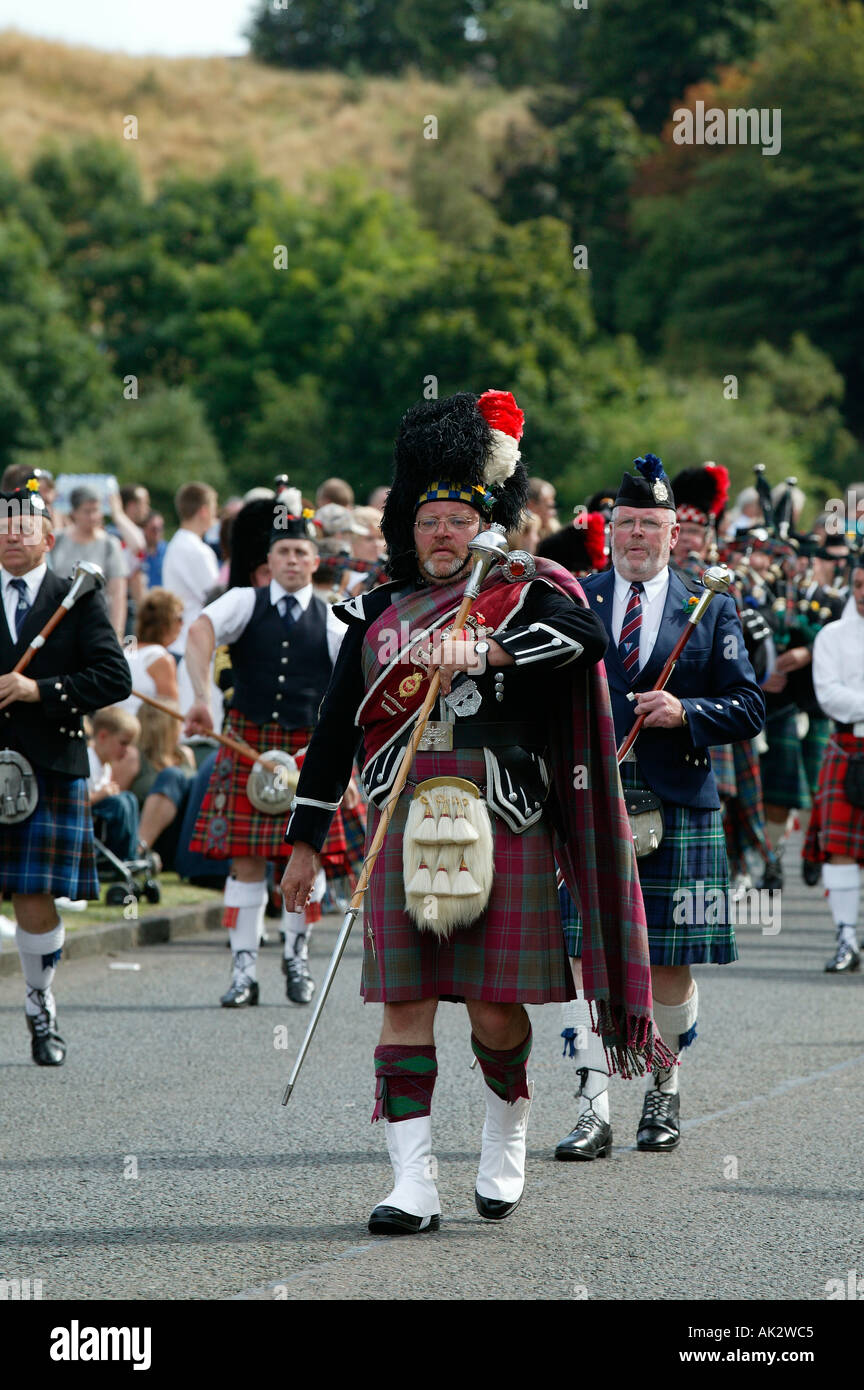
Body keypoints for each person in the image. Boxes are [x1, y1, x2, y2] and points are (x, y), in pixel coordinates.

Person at [282, 390, 665, 1236]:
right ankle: (412, 1183)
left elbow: (586, 639)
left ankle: (506, 1126)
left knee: (496, 1008)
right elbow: (338, 727)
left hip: (505, 815)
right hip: (403, 810)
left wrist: (491, 649)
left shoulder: (526, 591)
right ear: (407, 532)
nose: (443, 534)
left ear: (484, 525)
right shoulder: (377, 612)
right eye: (429, 522)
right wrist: (305, 841)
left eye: (458, 519)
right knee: (406, 1002)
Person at [555, 454, 765, 1161]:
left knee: (671, 964)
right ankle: (592, 1106)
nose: (636, 534)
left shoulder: (710, 602)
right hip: (595, 798)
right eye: (625, 522)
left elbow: (750, 704)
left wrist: (688, 710)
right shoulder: (574, 598)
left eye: (650, 523)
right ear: (608, 528)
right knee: (591, 956)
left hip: (680, 801)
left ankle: (664, 1089)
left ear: (675, 533)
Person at [184, 499, 348, 1007]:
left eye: (301, 551)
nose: (293, 560)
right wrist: (200, 700)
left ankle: (296, 959)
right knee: (247, 863)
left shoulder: (334, 618)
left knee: (305, 862)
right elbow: (199, 632)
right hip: (246, 743)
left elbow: (355, 684)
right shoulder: (242, 601)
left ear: (315, 560)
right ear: (270, 559)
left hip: (306, 754)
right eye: (284, 552)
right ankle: (243, 970)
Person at [0, 483, 131, 1065]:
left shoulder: (73, 597)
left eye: (22, 528)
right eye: (2, 528)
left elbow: (113, 679)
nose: (10, 536)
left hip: (48, 766)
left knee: (34, 894)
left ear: (48, 539)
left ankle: (38, 1000)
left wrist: (39, 690)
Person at [804, 560, 864, 972]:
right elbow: (829, 696)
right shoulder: (831, 635)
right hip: (848, 745)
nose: (863, 592)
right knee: (839, 849)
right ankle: (846, 937)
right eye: (859, 584)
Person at [52, 485, 127, 637]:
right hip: (60, 621)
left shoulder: (109, 544)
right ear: (74, 513)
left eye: (96, 510)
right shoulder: (58, 540)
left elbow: (118, 593)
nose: (93, 516)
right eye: (87, 511)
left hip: (96, 622)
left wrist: (117, 633)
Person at [161, 481, 219, 667]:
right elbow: (214, 597)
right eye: (213, 509)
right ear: (204, 511)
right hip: (192, 642)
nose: (215, 515)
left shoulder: (177, 543)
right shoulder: (197, 550)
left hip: (179, 640)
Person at [88, 707, 142, 862]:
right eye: (123, 743)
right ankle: (119, 856)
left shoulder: (106, 766)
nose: (127, 751)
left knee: (129, 798)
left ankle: (131, 852)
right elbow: (78, 799)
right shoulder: (88, 762)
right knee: (119, 804)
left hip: (98, 813)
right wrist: (102, 794)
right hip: (91, 816)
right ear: (103, 736)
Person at [119, 588, 183, 716]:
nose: (182, 624)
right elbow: (170, 717)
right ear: (166, 623)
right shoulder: (161, 659)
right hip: (144, 733)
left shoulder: (123, 653)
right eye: (179, 618)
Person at [143, 512, 167, 588]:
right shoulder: (137, 552)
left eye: (160, 529)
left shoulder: (169, 551)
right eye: (154, 529)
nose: (157, 532)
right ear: (145, 529)